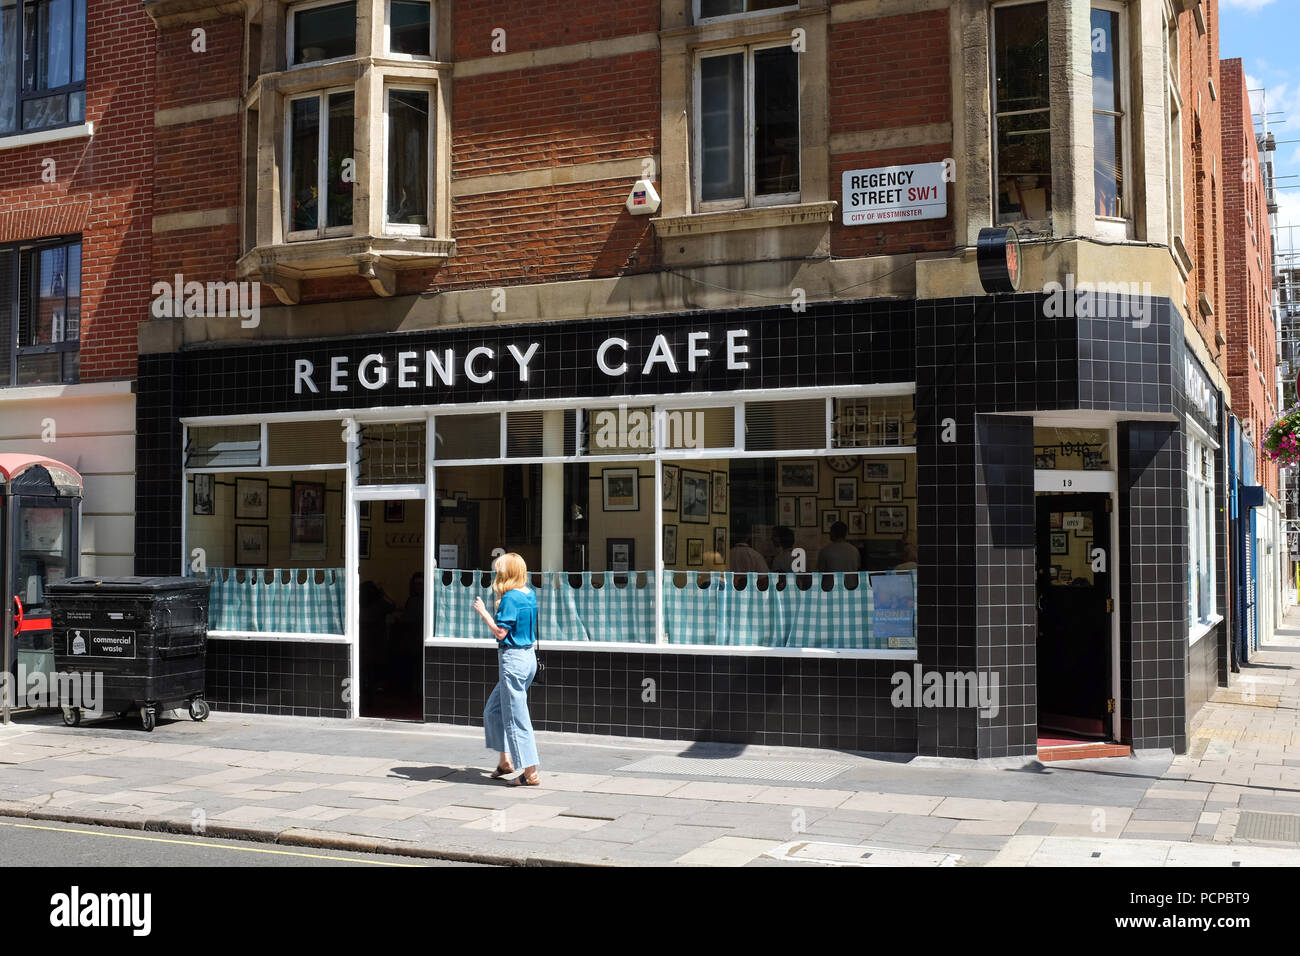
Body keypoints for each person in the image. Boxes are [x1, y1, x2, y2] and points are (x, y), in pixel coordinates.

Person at [472, 553, 541, 787]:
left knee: (516, 718)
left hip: (513, 660)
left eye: (499, 570)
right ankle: (505, 761)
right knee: (493, 711)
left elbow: (501, 633)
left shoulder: (510, 598)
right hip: (528, 658)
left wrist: (483, 612)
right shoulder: (529, 593)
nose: (497, 574)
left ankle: (530, 771)